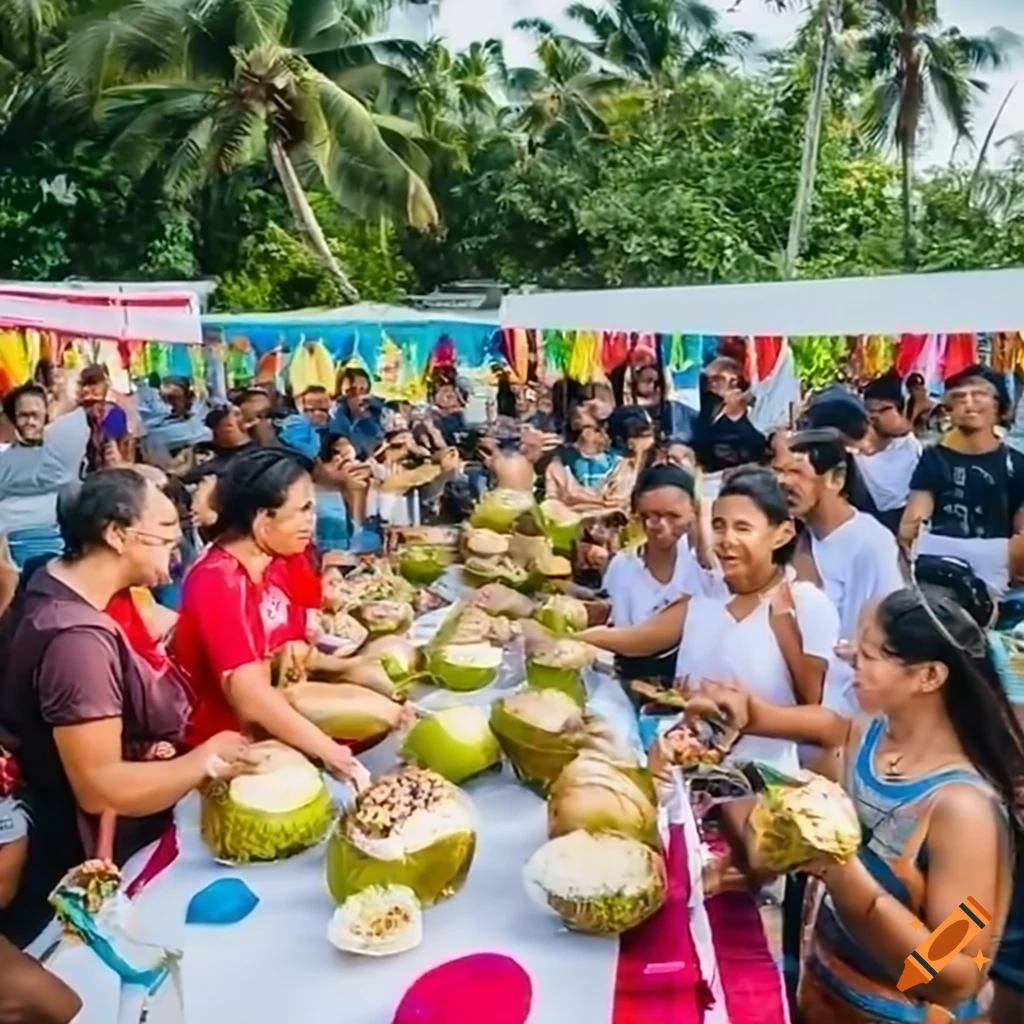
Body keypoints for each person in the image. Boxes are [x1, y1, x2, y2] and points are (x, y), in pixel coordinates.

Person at [697, 586, 1024, 1024]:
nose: (851, 660)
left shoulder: (963, 810)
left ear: (928, 677)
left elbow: (957, 971)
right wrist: (752, 713)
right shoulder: (873, 736)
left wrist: (849, 880)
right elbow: (835, 729)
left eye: (870, 655)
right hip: (820, 995)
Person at [0, 469, 252, 949]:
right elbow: (100, 787)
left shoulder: (52, 576)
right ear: (116, 534)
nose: (177, 546)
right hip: (72, 859)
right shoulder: (76, 641)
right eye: (163, 533)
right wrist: (203, 760)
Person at [579, 467, 839, 776]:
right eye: (719, 526)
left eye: (743, 528)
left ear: (782, 533)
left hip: (761, 785)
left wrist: (750, 713)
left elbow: (829, 720)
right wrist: (564, 637)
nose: (726, 540)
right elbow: (636, 640)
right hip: (682, 765)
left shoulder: (806, 604)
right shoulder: (705, 594)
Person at [170, 447, 375, 784]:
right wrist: (332, 752)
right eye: (304, 510)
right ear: (263, 518)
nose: (313, 519)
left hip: (277, 730)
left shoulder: (277, 562)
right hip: (230, 753)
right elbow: (249, 695)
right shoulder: (218, 579)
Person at [774, 429, 904, 714]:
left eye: (797, 472)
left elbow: (880, 631)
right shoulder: (789, 534)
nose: (784, 482)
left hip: (840, 699)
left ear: (836, 479)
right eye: (778, 472)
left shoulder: (871, 543)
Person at [901, 365, 1024, 596]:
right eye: (959, 397)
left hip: (1002, 586)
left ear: (1000, 408)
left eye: (979, 395)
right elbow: (911, 528)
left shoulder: (1016, 464)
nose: (969, 402)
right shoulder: (933, 459)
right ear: (949, 409)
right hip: (939, 580)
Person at [600, 464, 721, 689]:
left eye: (674, 516)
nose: (661, 526)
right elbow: (621, 634)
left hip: (700, 689)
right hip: (637, 684)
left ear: (692, 513)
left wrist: (703, 522)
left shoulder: (702, 562)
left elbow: (715, 574)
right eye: (651, 516)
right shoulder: (623, 566)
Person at [0, 383, 87, 568]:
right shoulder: (4, 459)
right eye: (23, 415)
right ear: (13, 419)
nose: (30, 422)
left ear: (46, 417)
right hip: (9, 551)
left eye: (35, 415)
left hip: (54, 549)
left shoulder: (63, 454)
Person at [857, 374, 922, 535]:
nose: (874, 416)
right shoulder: (854, 457)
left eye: (884, 409)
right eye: (870, 410)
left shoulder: (913, 450)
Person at [692, 358, 768, 473]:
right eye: (708, 380)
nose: (712, 384)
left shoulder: (754, 414)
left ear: (734, 382)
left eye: (718, 379)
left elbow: (754, 446)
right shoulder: (706, 407)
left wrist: (735, 416)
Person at [77, 364, 134, 471]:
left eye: (93, 383)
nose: (88, 389)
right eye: (86, 384)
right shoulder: (113, 411)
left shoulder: (112, 412)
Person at [330, 368, 384, 458]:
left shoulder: (376, 408)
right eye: (351, 391)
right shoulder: (336, 413)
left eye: (363, 390)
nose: (359, 396)